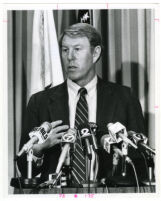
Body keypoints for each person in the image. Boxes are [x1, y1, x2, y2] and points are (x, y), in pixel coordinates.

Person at [17, 23, 146, 185]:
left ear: (95, 53)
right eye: (65, 50)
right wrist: (38, 150)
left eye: (77, 49)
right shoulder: (39, 102)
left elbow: (141, 161)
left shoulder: (124, 98)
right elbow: (23, 167)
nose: (70, 56)